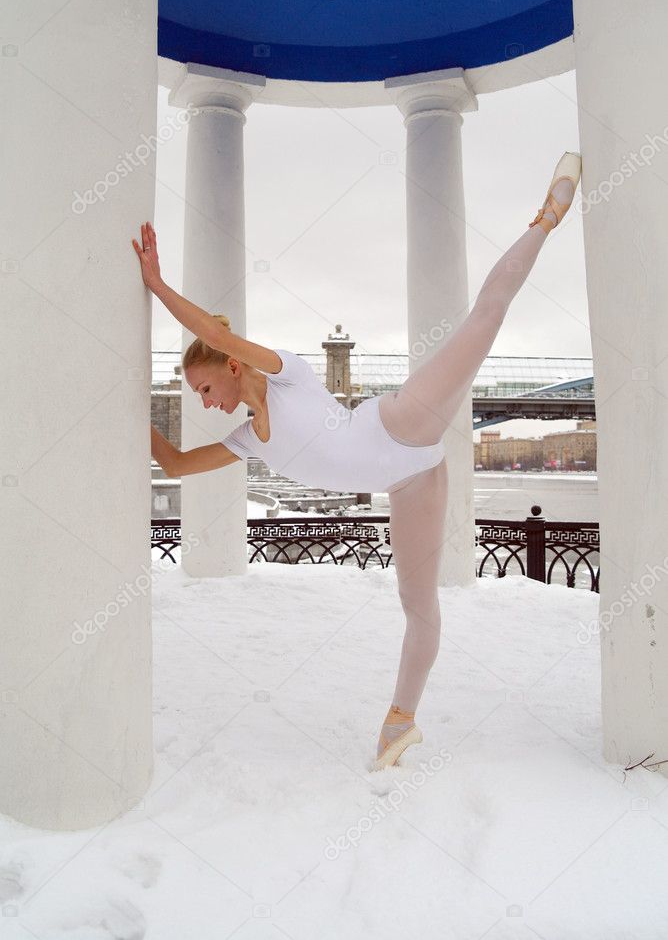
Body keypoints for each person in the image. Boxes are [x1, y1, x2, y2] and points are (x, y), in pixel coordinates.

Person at [135, 150, 582, 771]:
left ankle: (546, 217)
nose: (204, 403)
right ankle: (400, 724)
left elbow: (223, 336)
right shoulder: (248, 441)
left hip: (400, 423)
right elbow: (179, 467)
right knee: (420, 609)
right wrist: (130, 414)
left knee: (483, 319)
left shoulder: (284, 371)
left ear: (230, 367)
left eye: (205, 388)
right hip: (412, 478)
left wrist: (157, 286)